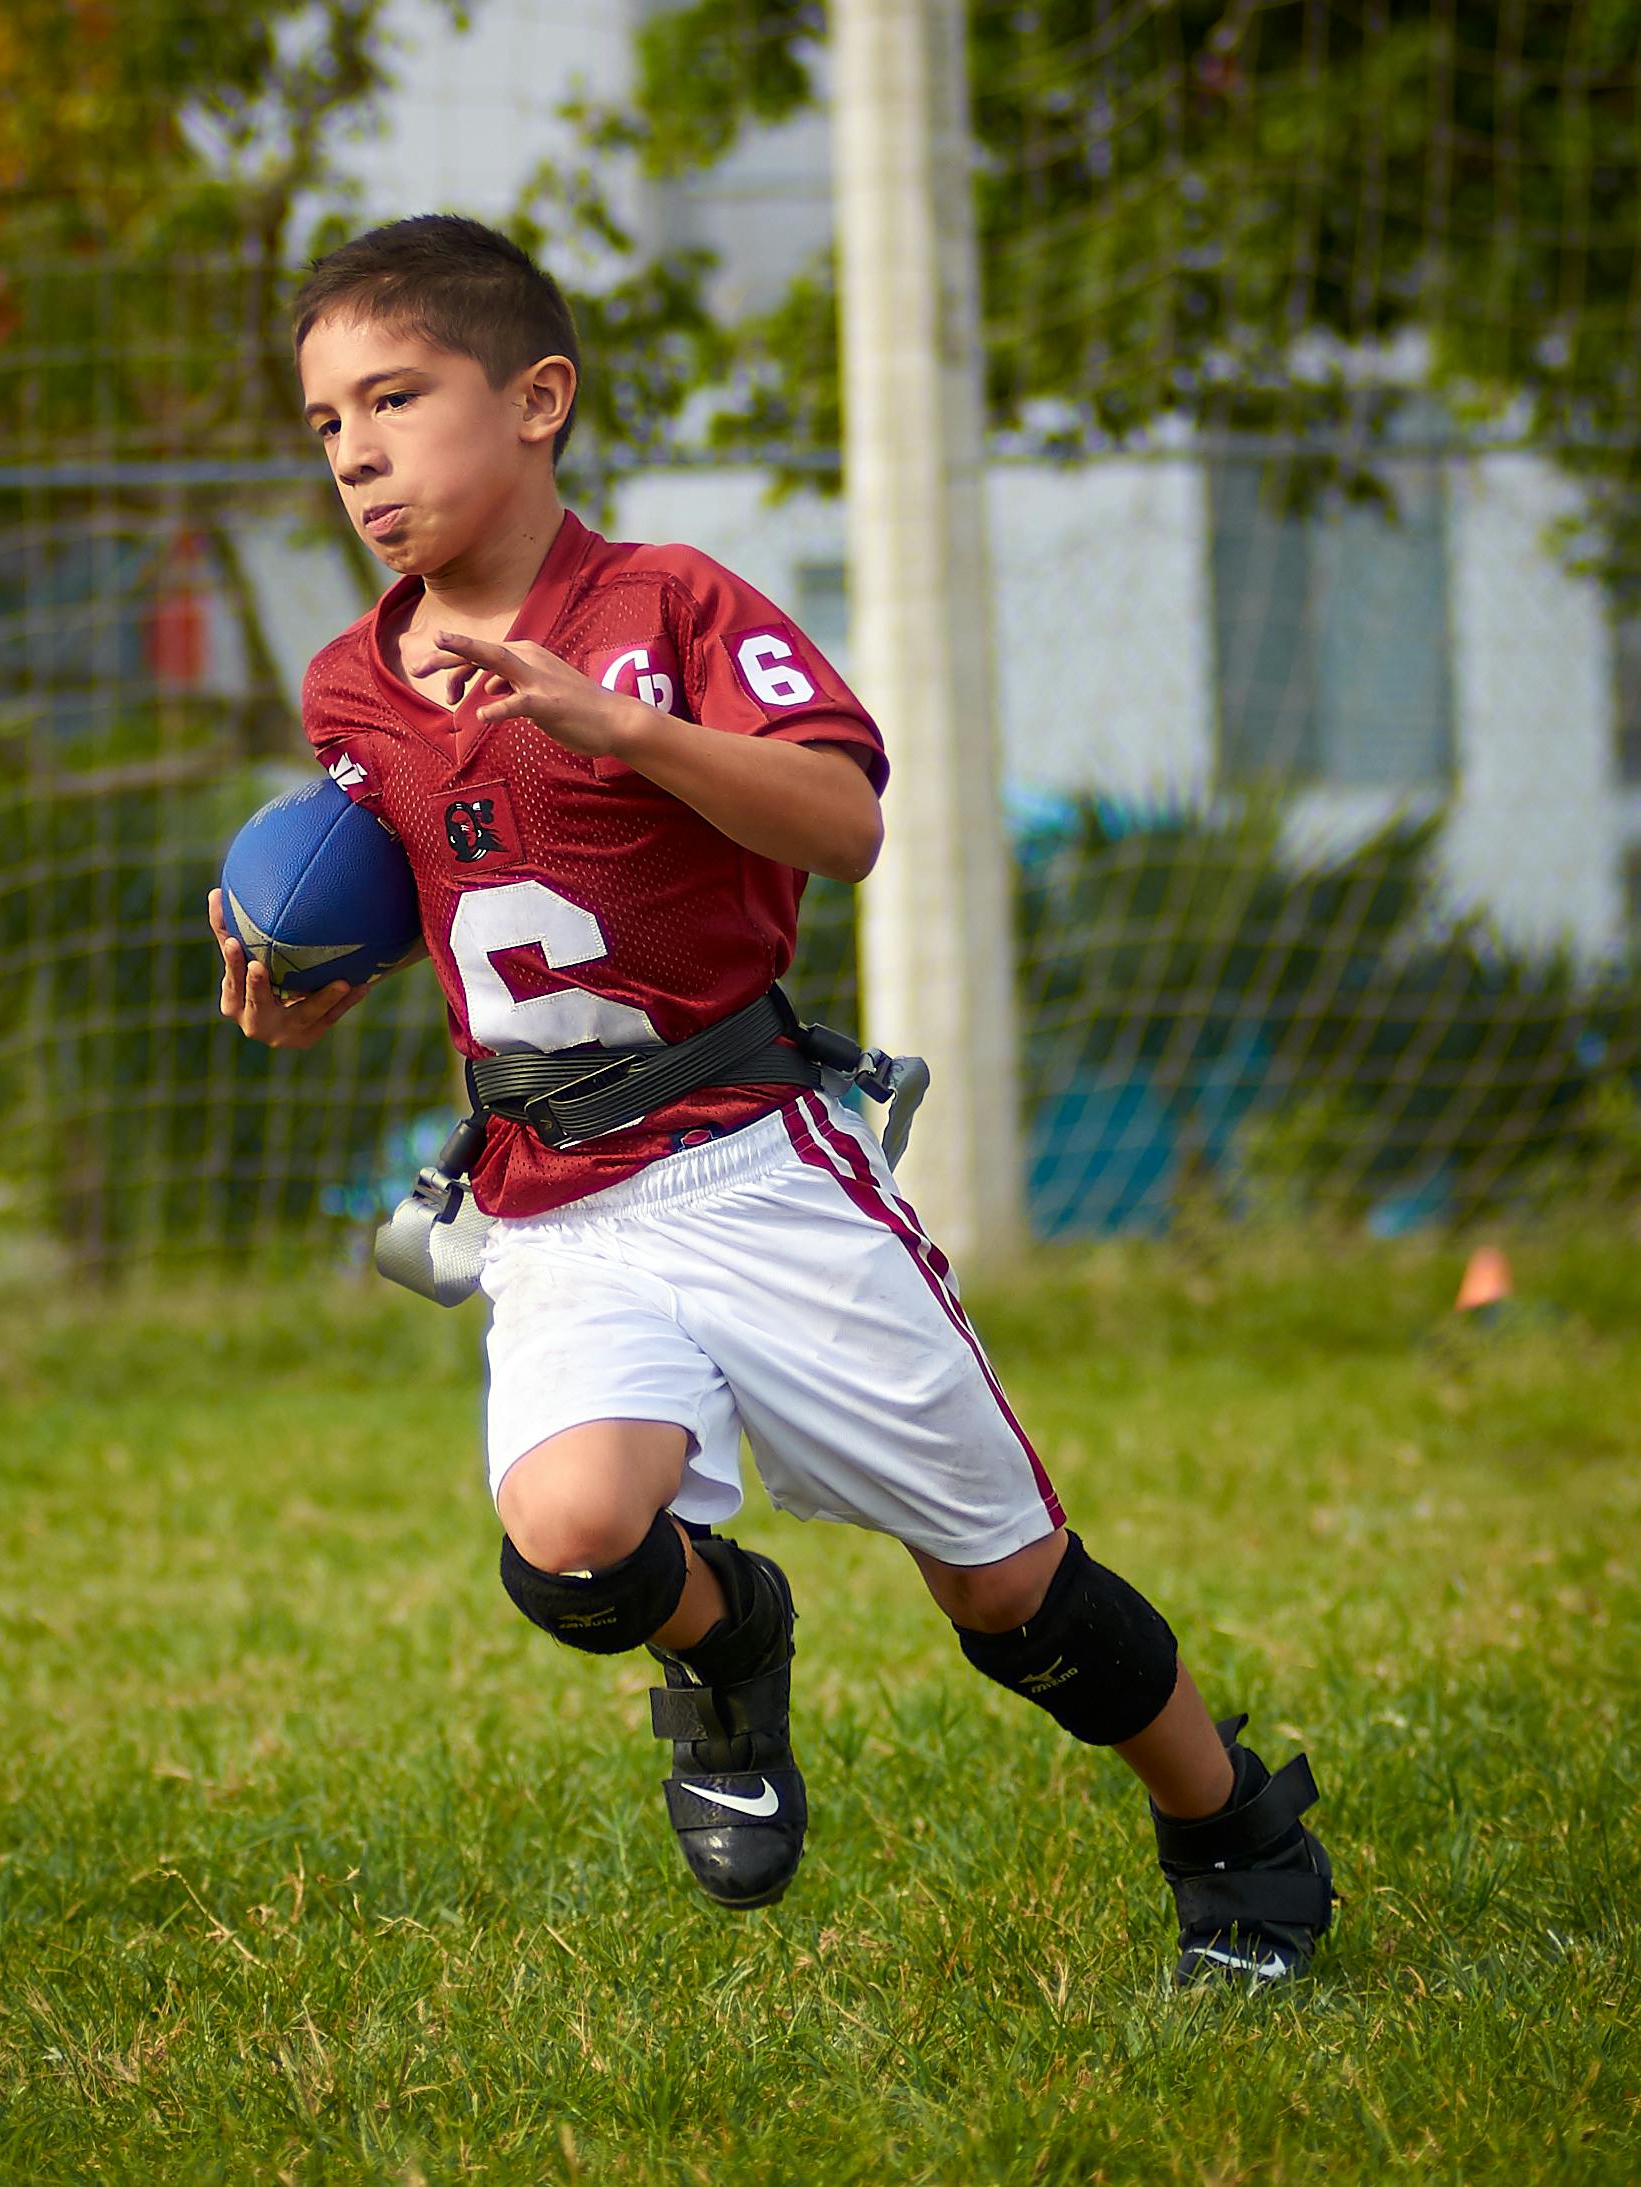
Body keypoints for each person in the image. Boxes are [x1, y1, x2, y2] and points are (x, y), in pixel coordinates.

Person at [208, 213, 1335, 1984]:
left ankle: (1228, 1824)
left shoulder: (668, 609)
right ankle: (730, 1649)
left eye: (395, 396)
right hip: (549, 1198)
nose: (354, 449)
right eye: (325, 420)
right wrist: (305, 999)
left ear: (537, 401)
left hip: (755, 1169)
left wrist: (629, 732)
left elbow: (847, 826)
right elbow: (449, 917)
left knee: (1009, 1598)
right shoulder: (351, 682)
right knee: (574, 1544)